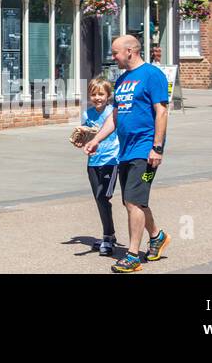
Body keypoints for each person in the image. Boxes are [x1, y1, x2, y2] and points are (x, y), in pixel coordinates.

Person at [84, 34, 170, 273]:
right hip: (126, 149)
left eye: (115, 53)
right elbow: (115, 117)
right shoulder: (122, 80)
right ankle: (157, 236)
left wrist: (157, 147)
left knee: (133, 201)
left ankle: (132, 256)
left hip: (145, 149)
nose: (113, 57)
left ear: (130, 51)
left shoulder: (153, 75)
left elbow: (161, 112)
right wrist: (96, 140)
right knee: (133, 201)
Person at [75, 77, 120, 256]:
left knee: (103, 197)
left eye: (101, 94)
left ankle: (108, 237)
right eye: (93, 94)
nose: (97, 97)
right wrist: (81, 141)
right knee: (99, 199)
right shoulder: (87, 114)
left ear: (108, 95)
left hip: (111, 160)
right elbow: (86, 137)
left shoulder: (113, 112)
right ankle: (109, 235)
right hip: (93, 162)